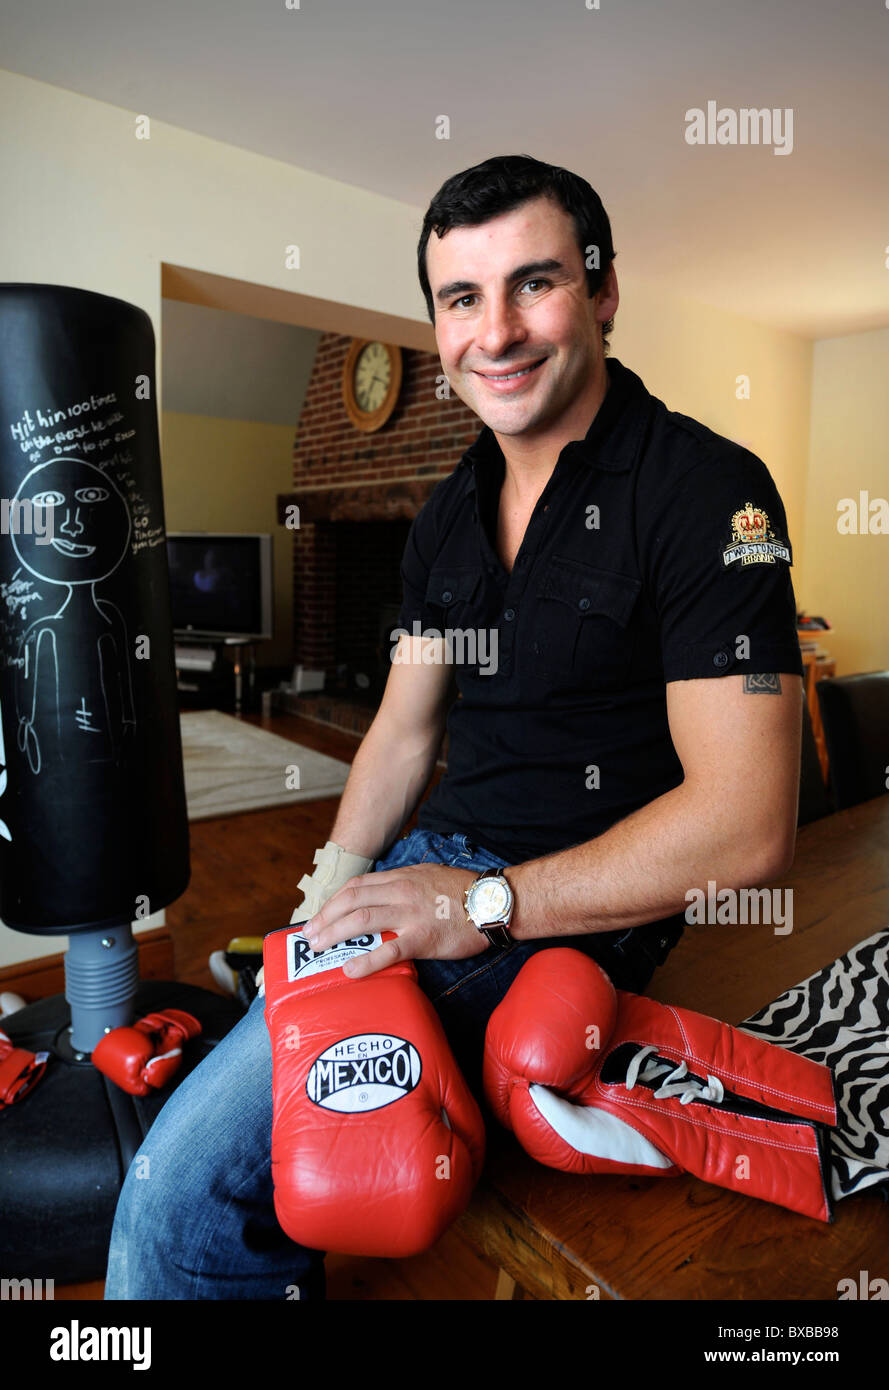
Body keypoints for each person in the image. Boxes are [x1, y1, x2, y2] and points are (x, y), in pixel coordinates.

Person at [105, 153, 804, 1300]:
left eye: (535, 283)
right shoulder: (445, 512)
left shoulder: (707, 492)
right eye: (462, 299)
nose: (499, 330)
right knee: (206, 1162)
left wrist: (477, 907)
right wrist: (330, 888)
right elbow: (401, 730)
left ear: (604, 290)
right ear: (437, 326)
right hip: (443, 875)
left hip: (572, 902)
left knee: (174, 1208)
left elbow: (745, 828)